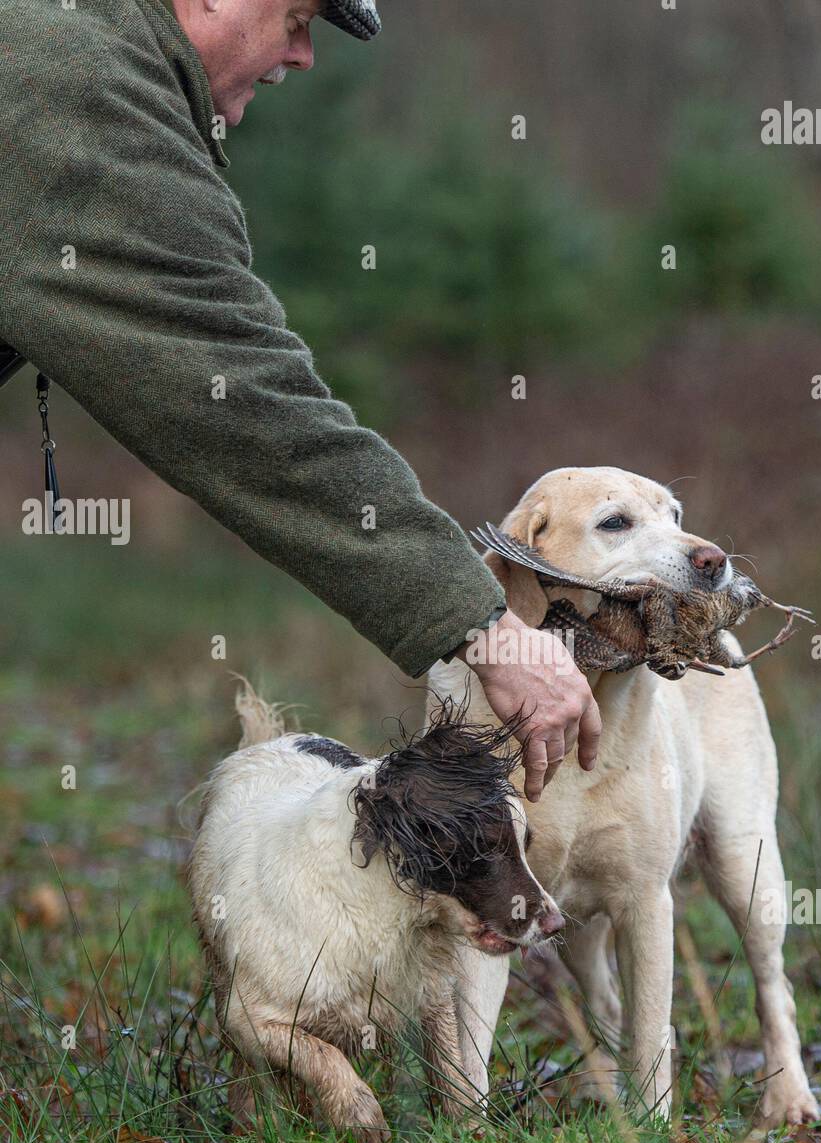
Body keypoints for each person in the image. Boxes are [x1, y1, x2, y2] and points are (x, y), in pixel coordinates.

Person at [0, 0, 601, 800]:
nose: (305, 55)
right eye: (296, 18)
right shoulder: (80, 90)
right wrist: (488, 631)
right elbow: (252, 408)